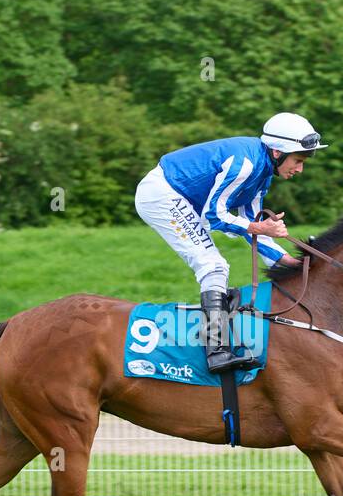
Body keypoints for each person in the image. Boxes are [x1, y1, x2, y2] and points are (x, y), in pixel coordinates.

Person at [133, 112, 326, 373]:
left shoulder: (263, 174)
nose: (300, 169)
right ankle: (216, 351)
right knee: (212, 265)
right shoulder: (245, 165)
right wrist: (257, 227)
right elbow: (214, 215)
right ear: (277, 152)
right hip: (161, 194)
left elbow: (252, 229)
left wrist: (289, 261)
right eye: (298, 160)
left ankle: (220, 343)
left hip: (183, 200)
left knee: (216, 265)